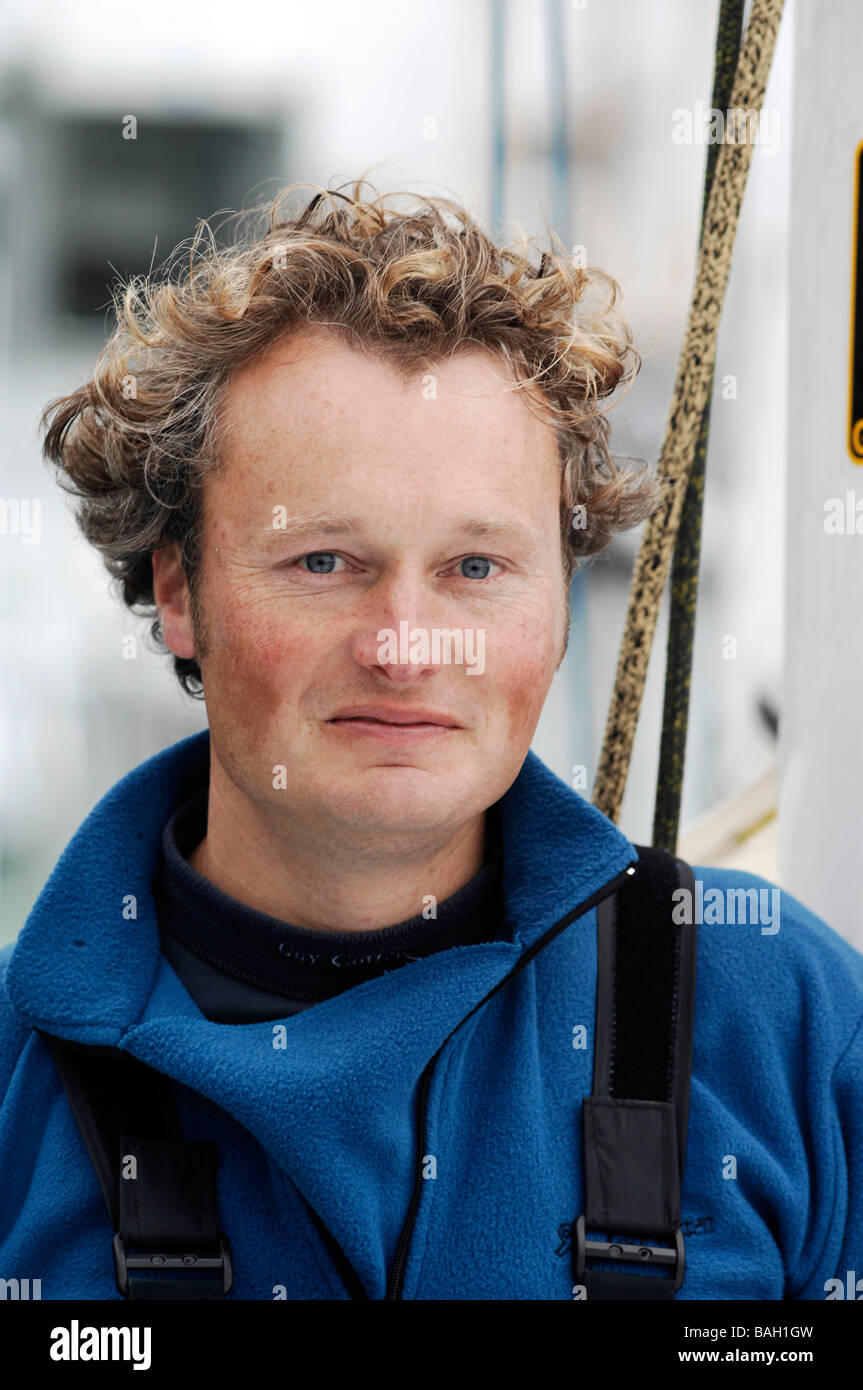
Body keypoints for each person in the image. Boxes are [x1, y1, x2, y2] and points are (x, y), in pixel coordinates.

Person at [1, 178, 861, 1301]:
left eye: (474, 569)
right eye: (323, 562)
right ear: (178, 589)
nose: (406, 648)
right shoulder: (19, 1083)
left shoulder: (785, 1027)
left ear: (561, 598)